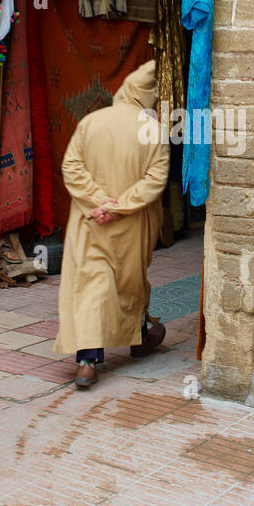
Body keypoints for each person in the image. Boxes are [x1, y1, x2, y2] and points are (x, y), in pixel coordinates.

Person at [54, 60, 170, 388]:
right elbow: (155, 180)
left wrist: (97, 203)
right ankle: (138, 339)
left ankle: (87, 363)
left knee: (92, 286)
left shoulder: (91, 121)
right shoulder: (154, 130)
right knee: (129, 285)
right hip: (131, 225)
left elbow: (72, 166)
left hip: (91, 222)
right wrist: (120, 207)